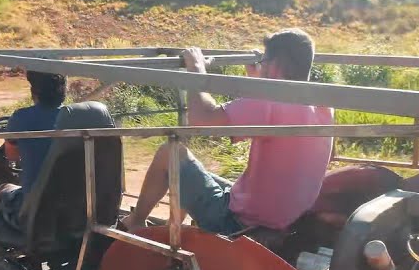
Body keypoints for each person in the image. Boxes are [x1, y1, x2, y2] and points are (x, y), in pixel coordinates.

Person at [120, 28, 334, 235]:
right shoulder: (323, 107)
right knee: (194, 170)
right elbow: (274, 118)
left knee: (170, 153)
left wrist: (196, 70)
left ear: (275, 65)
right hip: (282, 223)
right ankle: (172, 228)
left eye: (264, 61)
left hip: (237, 224)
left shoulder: (270, 102)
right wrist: (258, 81)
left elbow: (202, 118)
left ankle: (136, 223)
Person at [0, 70, 68, 230]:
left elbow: (12, 156)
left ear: (34, 92)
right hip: (71, 201)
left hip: (36, 207)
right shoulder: (74, 117)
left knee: (2, 190)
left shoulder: (21, 118)